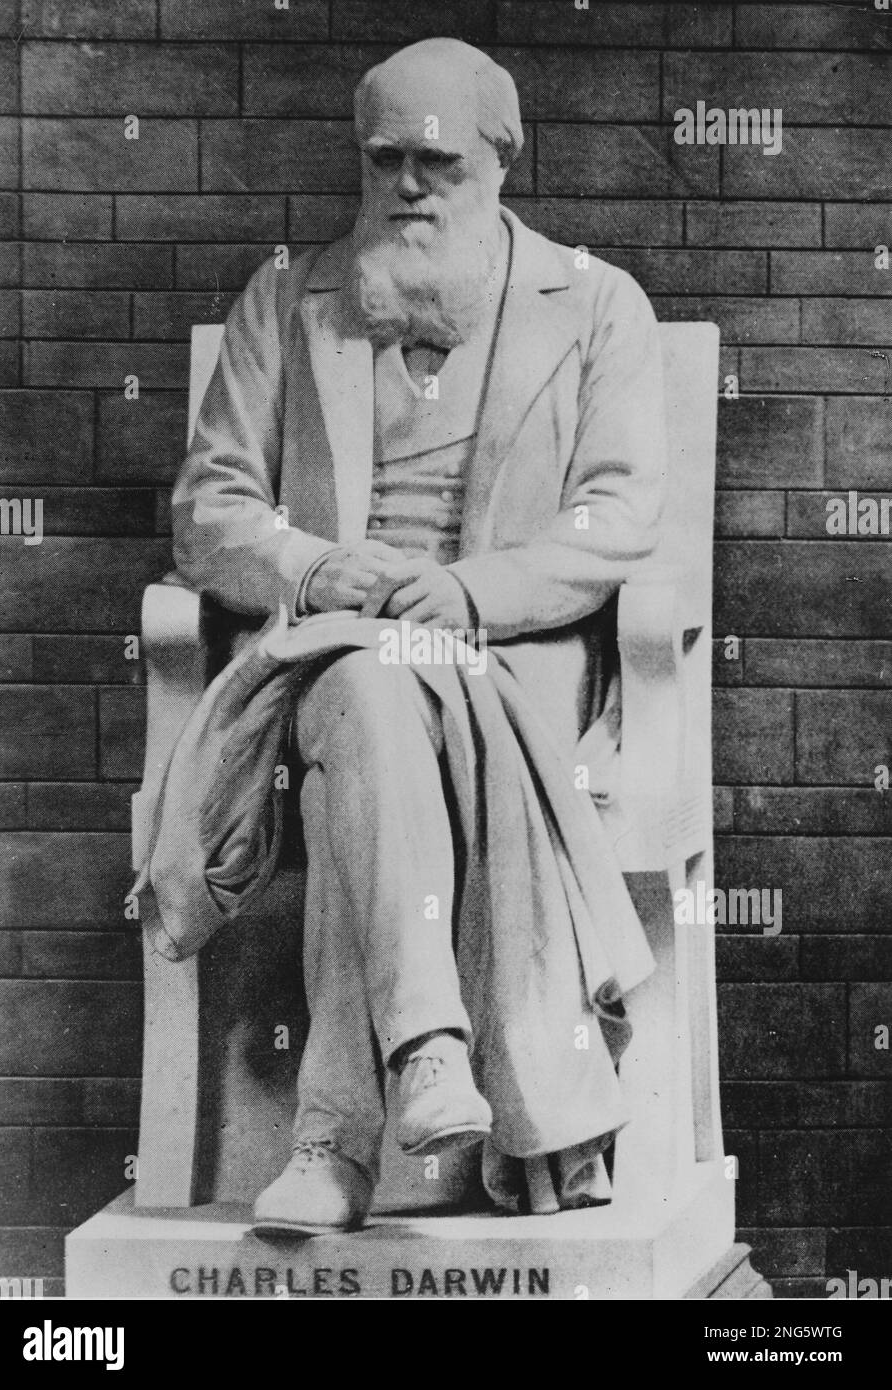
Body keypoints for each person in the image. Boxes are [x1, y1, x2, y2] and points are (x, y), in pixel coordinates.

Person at [172, 37, 666, 1234]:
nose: (406, 184)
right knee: (371, 686)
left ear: (501, 161)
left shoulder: (594, 304)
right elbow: (210, 507)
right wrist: (312, 562)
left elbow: (618, 511)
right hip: (335, 647)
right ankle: (428, 1057)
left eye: (434, 160)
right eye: (383, 157)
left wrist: (477, 591)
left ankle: (336, 1139)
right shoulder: (288, 300)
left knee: (374, 700)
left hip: (514, 659)